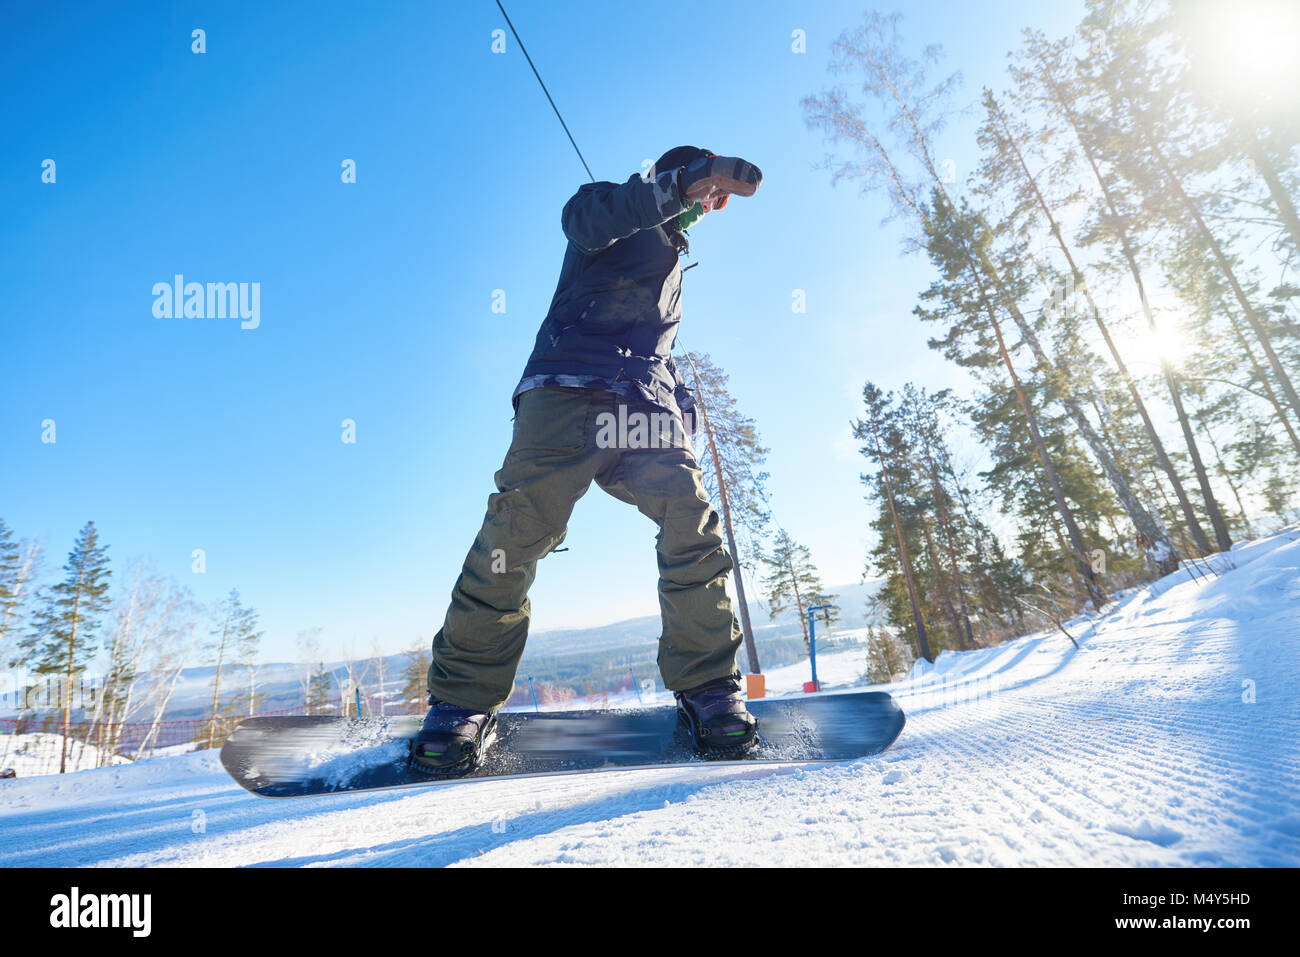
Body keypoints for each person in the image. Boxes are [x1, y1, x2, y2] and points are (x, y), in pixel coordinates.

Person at [411, 147, 763, 775]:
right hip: (565, 392)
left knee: (692, 523)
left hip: (640, 405)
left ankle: (709, 690)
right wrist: (681, 184)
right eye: (707, 193)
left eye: (712, 201)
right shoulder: (612, 207)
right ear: (672, 178)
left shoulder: (675, 262)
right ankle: (461, 705)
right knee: (515, 535)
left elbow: (657, 350)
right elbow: (584, 221)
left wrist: (681, 414)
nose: (709, 206)